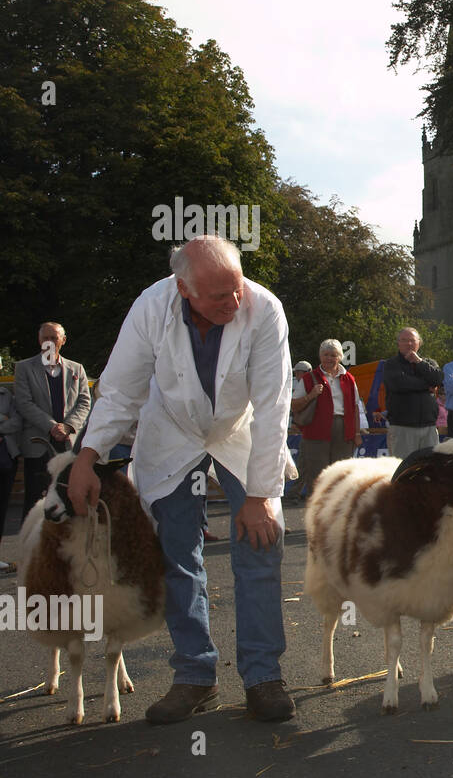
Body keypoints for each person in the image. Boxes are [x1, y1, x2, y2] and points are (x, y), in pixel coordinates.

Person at [66, 235, 296, 722]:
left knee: (260, 542)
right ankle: (195, 674)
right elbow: (121, 389)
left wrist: (259, 495)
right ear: (183, 288)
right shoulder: (151, 307)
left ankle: (263, 676)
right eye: (218, 296)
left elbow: (274, 405)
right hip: (172, 433)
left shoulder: (266, 309)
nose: (234, 302)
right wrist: (87, 458)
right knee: (177, 553)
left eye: (237, 288)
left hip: (239, 431)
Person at [14, 322, 93, 516]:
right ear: (39, 340)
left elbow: (84, 402)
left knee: (68, 498)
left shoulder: (77, 369)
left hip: (68, 445)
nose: (49, 342)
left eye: (54, 338)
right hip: (38, 445)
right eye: (45, 338)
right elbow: (24, 403)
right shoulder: (24, 368)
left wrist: (67, 427)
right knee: (34, 501)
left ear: (63, 341)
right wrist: (52, 427)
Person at [291, 338, 367, 500]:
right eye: (325, 354)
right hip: (316, 430)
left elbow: (354, 408)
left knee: (341, 473)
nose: (329, 358)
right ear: (320, 356)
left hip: (344, 430)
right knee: (317, 474)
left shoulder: (349, 378)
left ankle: (338, 511)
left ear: (339, 357)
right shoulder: (309, 378)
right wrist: (311, 395)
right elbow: (294, 406)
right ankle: (316, 513)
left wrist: (357, 433)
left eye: (333, 355)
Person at [382, 327, 444, 459]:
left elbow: (438, 378)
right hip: (402, 427)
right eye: (404, 340)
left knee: (429, 469)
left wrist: (419, 362)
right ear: (398, 343)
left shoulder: (429, 363)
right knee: (402, 470)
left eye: (412, 340)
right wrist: (427, 384)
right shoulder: (390, 364)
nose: (408, 344)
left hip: (429, 428)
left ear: (419, 343)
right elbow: (399, 384)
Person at [0, 356, 22, 574]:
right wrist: (2, 419)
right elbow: (8, 421)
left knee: (2, 508)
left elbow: (16, 422)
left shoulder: (7, 395)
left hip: (6, 459)